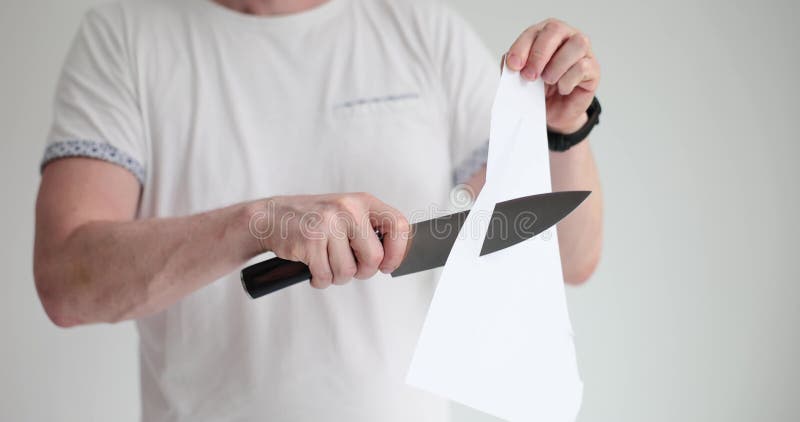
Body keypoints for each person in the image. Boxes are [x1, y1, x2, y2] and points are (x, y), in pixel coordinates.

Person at [33, 0, 603, 420]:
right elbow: (65, 283)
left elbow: (569, 259)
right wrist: (257, 224)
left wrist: (559, 131)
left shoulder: (423, 31)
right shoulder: (124, 37)